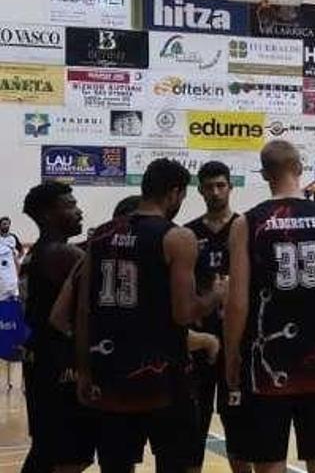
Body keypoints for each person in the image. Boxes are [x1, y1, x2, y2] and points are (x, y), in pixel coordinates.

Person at [75, 159, 225, 472]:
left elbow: (83, 311)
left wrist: (84, 370)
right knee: (176, 464)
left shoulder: (100, 236)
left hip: (111, 370)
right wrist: (215, 297)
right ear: (174, 193)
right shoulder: (177, 237)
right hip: (162, 374)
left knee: (116, 465)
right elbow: (184, 314)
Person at [224, 140, 315, 473]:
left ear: (264, 174)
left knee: (269, 462)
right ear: (300, 169)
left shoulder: (248, 222)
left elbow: (237, 302)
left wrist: (231, 353)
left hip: (267, 361)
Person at [19, 181, 96, 473]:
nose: (79, 211)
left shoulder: (35, 254)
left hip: (40, 364)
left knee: (45, 452)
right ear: (49, 215)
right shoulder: (61, 255)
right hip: (61, 367)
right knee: (70, 458)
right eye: (70, 205)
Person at [184, 161, 252, 473]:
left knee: (238, 423)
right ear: (199, 190)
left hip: (236, 341)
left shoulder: (245, 228)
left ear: (230, 187)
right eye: (209, 186)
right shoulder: (188, 234)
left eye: (220, 185)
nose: (215, 192)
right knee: (192, 426)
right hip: (198, 342)